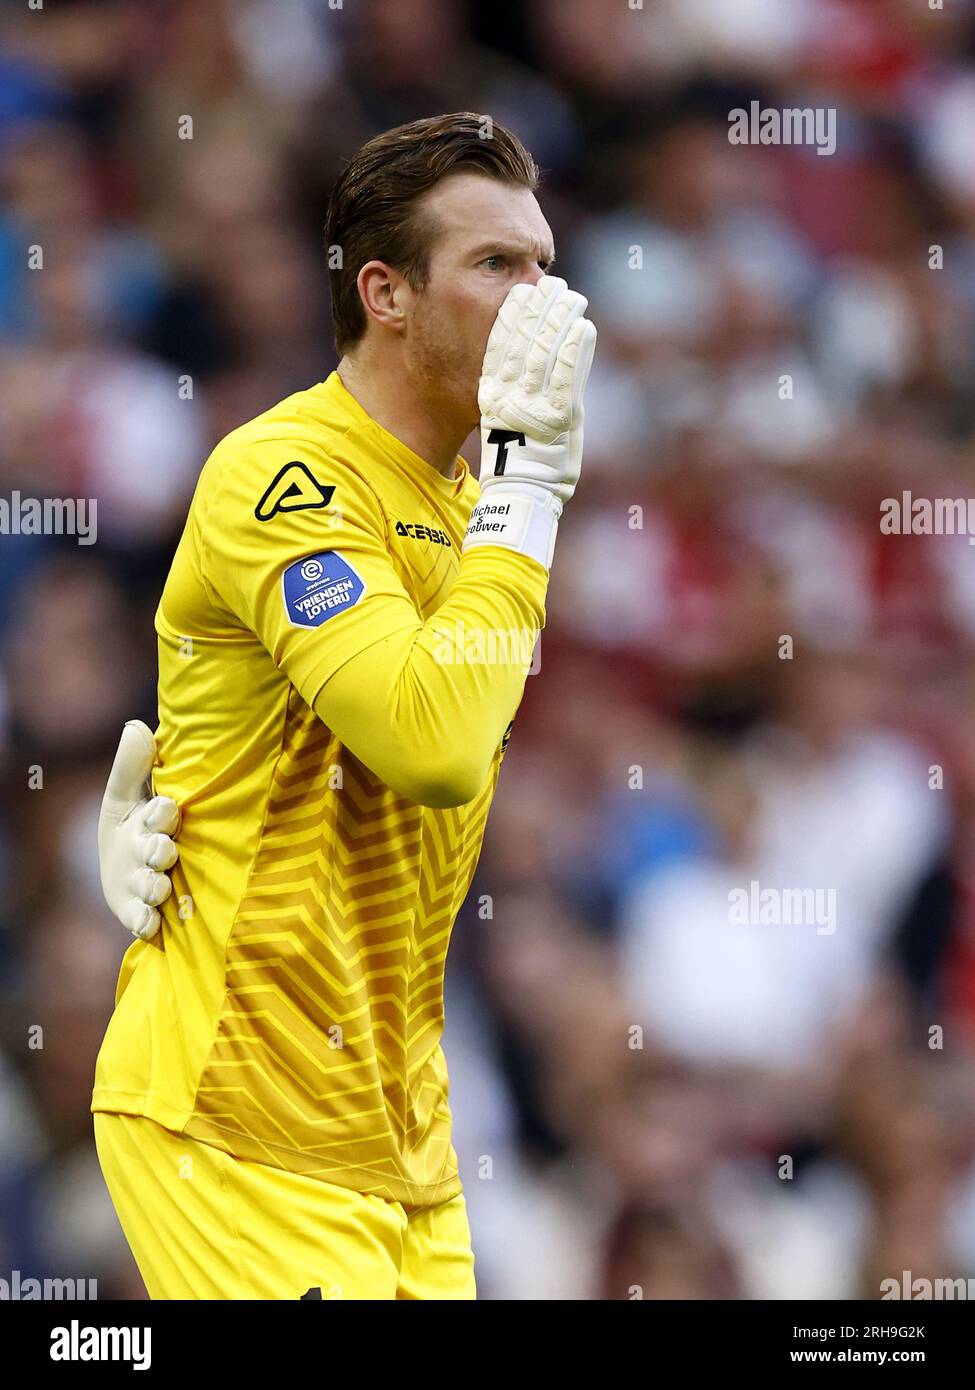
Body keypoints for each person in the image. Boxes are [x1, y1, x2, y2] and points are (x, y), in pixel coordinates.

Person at [91, 112, 596, 1300]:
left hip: (398, 1138)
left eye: (545, 264)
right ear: (386, 292)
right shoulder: (286, 472)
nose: (540, 303)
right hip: (238, 1114)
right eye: (494, 266)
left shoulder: (475, 498)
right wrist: (528, 492)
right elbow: (429, 747)